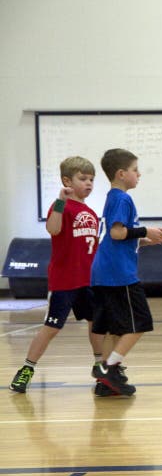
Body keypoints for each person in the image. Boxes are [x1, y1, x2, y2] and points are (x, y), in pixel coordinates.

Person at [9, 156, 105, 394]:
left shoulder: (91, 212)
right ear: (67, 181)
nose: (89, 183)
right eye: (83, 179)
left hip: (89, 280)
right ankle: (27, 369)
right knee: (52, 327)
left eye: (92, 179)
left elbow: (92, 246)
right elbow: (53, 229)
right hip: (65, 281)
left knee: (96, 325)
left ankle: (101, 368)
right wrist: (60, 203)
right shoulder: (60, 206)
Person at [89, 149, 162, 396]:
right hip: (118, 274)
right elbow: (117, 233)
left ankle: (106, 383)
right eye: (135, 170)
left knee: (116, 328)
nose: (139, 174)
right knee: (140, 323)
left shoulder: (113, 197)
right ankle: (108, 369)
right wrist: (145, 231)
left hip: (104, 271)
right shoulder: (122, 199)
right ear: (122, 174)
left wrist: (145, 240)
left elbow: (120, 238)